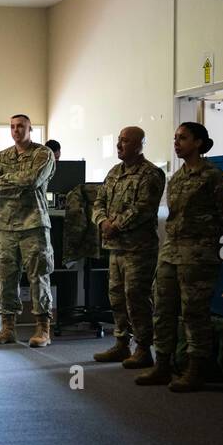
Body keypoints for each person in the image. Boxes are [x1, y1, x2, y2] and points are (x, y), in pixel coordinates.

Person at [135, 122, 223, 391]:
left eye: (183, 138)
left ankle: (196, 368)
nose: (177, 142)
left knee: (195, 314)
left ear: (199, 143)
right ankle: (163, 365)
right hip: (171, 253)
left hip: (199, 255)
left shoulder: (213, 175)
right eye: (175, 138)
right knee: (163, 310)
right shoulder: (177, 178)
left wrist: (222, 254)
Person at [91, 126, 166, 368]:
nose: (119, 145)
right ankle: (121, 344)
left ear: (139, 144)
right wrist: (102, 221)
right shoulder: (114, 172)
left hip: (139, 249)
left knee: (137, 298)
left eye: (124, 141)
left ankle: (144, 348)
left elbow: (144, 208)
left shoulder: (151, 174)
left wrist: (116, 225)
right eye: (119, 140)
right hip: (116, 248)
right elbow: (99, 201)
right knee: (116, 298)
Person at [0, 114, 57, 347]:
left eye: (21, 127)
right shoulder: (2, 156)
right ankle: (8, 328)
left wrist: (6, 182)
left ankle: (43, 329)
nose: (16, 130)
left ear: (29, 129)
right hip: (6, 227)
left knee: (38, 277)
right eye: (13, 127)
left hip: (33, 225)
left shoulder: (43, 154)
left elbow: (33, 180)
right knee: (6, 277)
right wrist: (17, 183)